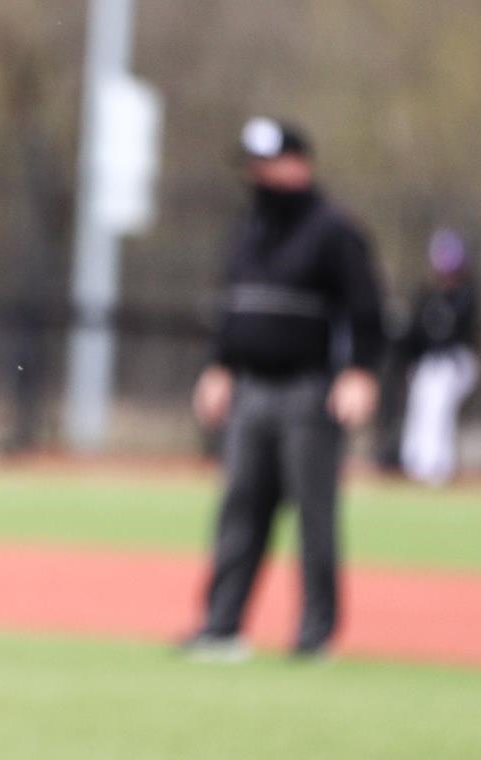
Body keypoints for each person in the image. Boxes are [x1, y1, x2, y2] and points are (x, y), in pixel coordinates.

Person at [186, 116, 383, 661]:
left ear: (300, 163)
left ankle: (315, 635)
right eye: (253, 165)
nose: (259, 175)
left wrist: (361, 371)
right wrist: (220, 366)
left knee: (314, 514)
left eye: (269, 163)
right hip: (251, 389)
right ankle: (221, 626)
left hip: (308, 391)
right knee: (240, 507)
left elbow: (366, 309)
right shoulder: (249, 227)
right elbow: (235, 309)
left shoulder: (334, 229)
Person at [395, 228, 478, 485]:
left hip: (454, 361)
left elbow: (457, 334)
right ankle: (415, 462)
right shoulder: (427, 295)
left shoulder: (465, 295)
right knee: (421, 404)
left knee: (437, 404)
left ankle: (436, 466)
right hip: (428, 362)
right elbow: (416, 334)